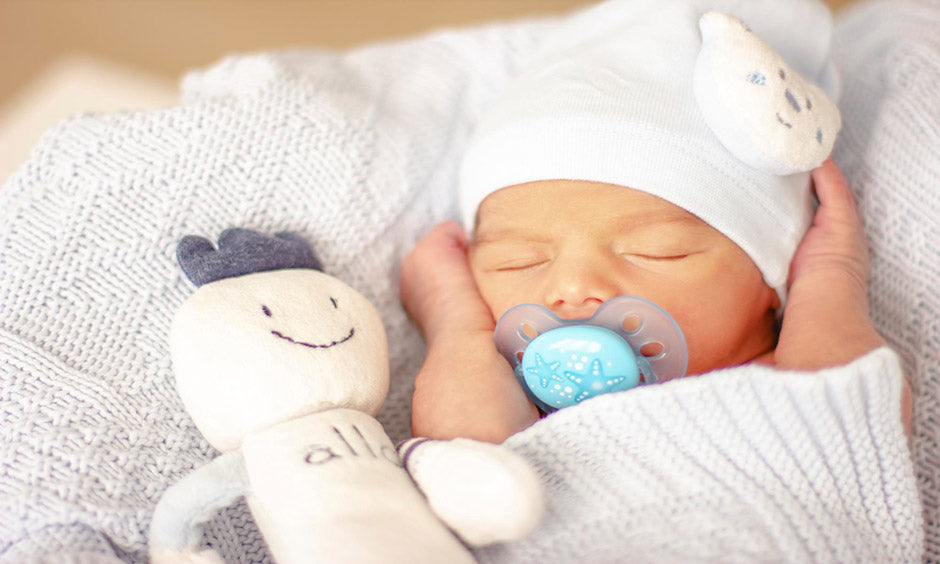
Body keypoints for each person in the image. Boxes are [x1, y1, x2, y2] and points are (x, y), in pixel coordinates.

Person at [399, 0, 913, 443]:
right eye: (518, 260)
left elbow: (860, 421)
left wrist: (830, 274)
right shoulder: (520, 414)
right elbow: (465, 443)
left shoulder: (785, 386)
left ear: (772, 284)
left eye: (655, 250)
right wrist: (454, 318)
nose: (572, 287)